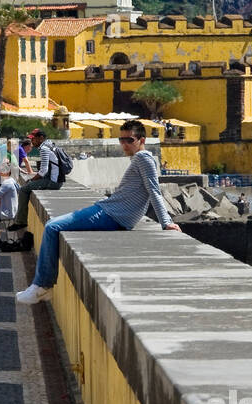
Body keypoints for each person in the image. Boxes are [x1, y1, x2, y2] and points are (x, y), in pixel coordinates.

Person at [16, 120, 180, 304]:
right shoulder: (139, 158)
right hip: (111, 211)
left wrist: (166, 223)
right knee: (55, 225)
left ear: (142, 140)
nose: (124, 144)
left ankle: (41, 287)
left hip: (112, 215)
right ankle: (41, 286)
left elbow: (154, 190)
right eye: (121, 139)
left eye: (129, 140)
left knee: (52, 226)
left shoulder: (143, 158)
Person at [12, 129, 61, 229]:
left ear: (41, 138)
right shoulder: (50, 145)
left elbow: (43, 170)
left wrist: (32, 180)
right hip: (57, 180)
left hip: (52, 181)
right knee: (27, 187)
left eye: (33, 139)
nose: (32, 142)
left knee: (23, 189)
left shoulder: (44, 149)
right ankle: (20, 220)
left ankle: (21, 222)